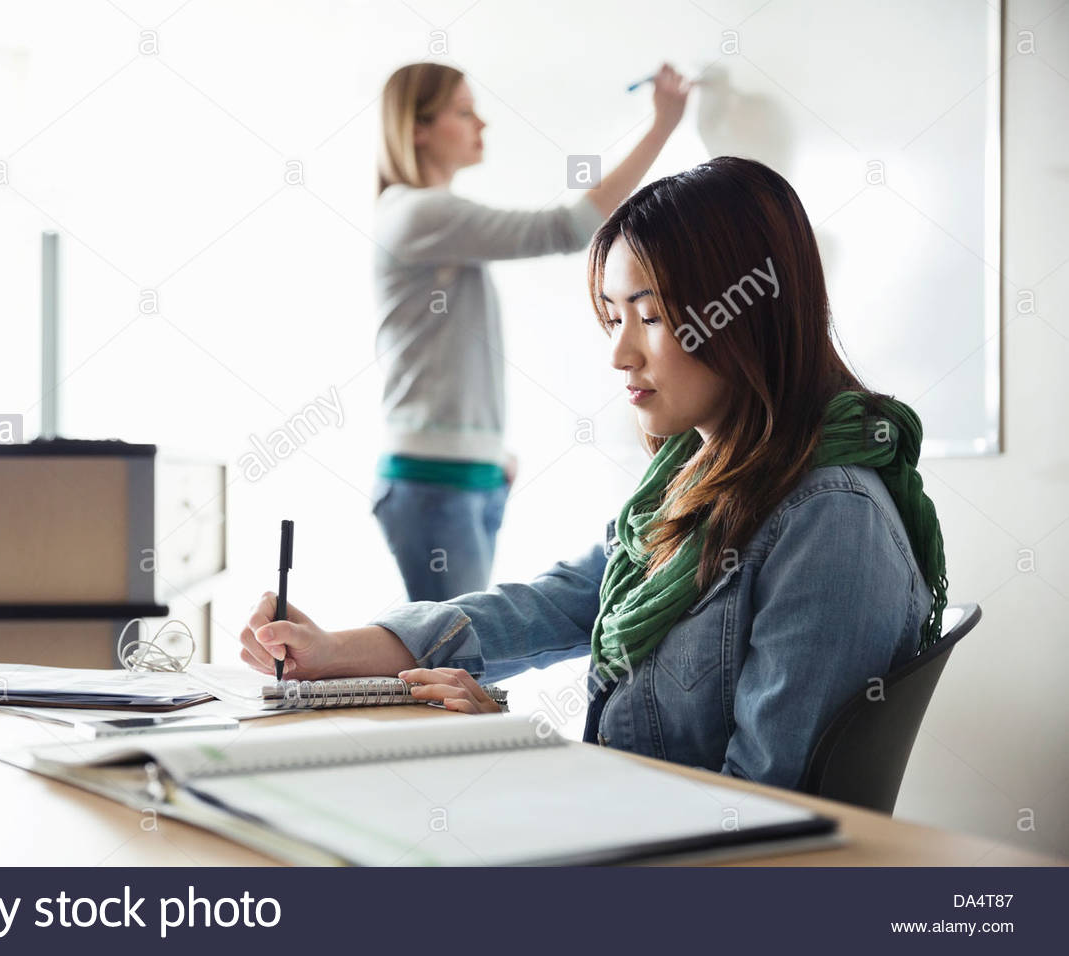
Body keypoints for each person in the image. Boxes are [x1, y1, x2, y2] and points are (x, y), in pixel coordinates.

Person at [242, 157, 949, 791]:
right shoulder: (693, 479)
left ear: (747, 314)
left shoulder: (831, 519)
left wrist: (521, 757)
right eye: (612, 317)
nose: (619, 354)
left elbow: (757, 817)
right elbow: (555, 602)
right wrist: (336, 652)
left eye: (652, 317)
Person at [370, 61, 692, 600]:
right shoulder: (419, 213)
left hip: (461, 473)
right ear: (418, 129)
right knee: (447, 644)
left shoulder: (426, 220)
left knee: (453, 638)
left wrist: (490, 451)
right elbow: (566, 228)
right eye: (463, 111)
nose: (482, 124)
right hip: (437, 479)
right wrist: (663, 125)